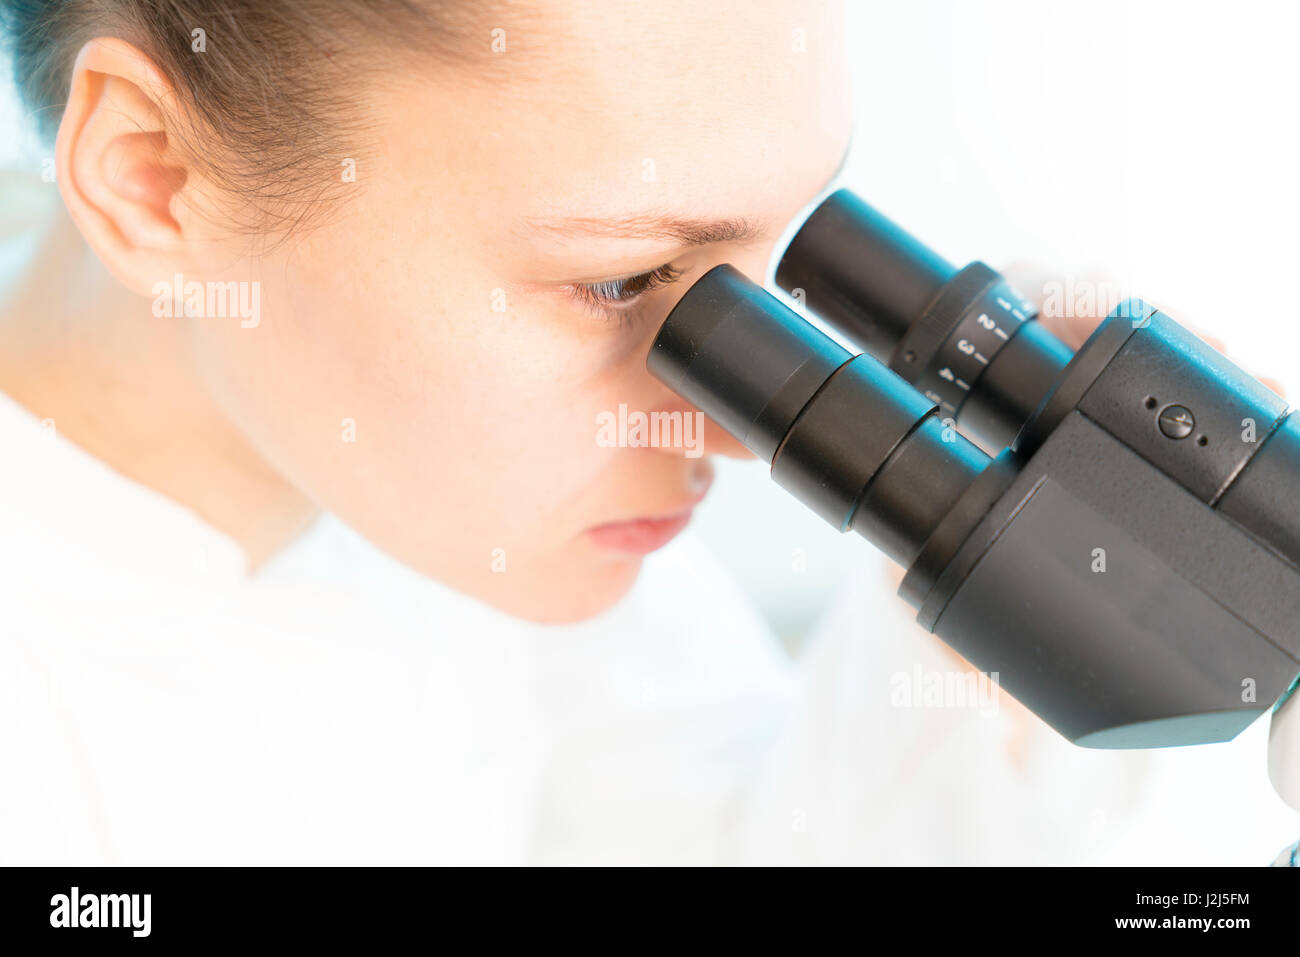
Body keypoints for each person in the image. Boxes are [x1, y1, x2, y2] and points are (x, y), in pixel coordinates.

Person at [2, 0, 1254, 865]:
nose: (738, 437)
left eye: (783, 268)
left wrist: (1033, 594)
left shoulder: (470, 518)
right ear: (154, 175)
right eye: (621, 282)